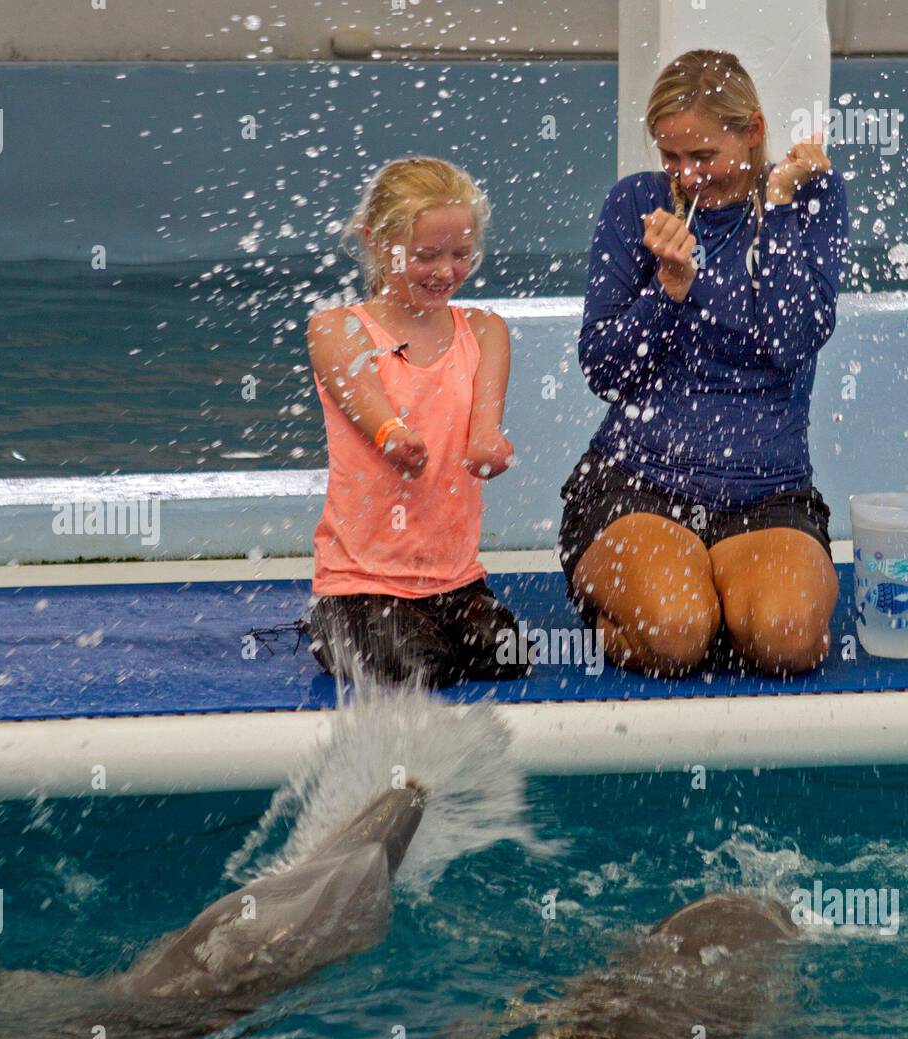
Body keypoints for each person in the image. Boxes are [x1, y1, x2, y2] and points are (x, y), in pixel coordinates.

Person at [558, 49, 849, 677]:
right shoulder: (634, 204)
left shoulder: (808, 197)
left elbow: (790, 341)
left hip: (769, 492)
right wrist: (665, 292)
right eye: (671, 157)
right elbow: (604, 372)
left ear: (754, 130)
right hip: (639, 486)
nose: (686, 177)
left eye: (704, 156)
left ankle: (720, 595)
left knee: (790, 640)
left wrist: (773, 207)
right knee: (676, 634)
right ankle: (674, 605)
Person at [306, 157, 529, 687]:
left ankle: (427, 616)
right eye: (427, 255)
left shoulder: (484, 331)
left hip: (455, 581)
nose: (447, 271)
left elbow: (484, 428)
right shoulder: (337, 328)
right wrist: (391, 434)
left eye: (461, 254)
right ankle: (329, 624)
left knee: (506, 656)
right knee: (419, 670)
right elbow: (364, 399)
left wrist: (490, 447)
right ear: (377, 243)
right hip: (360, 584)